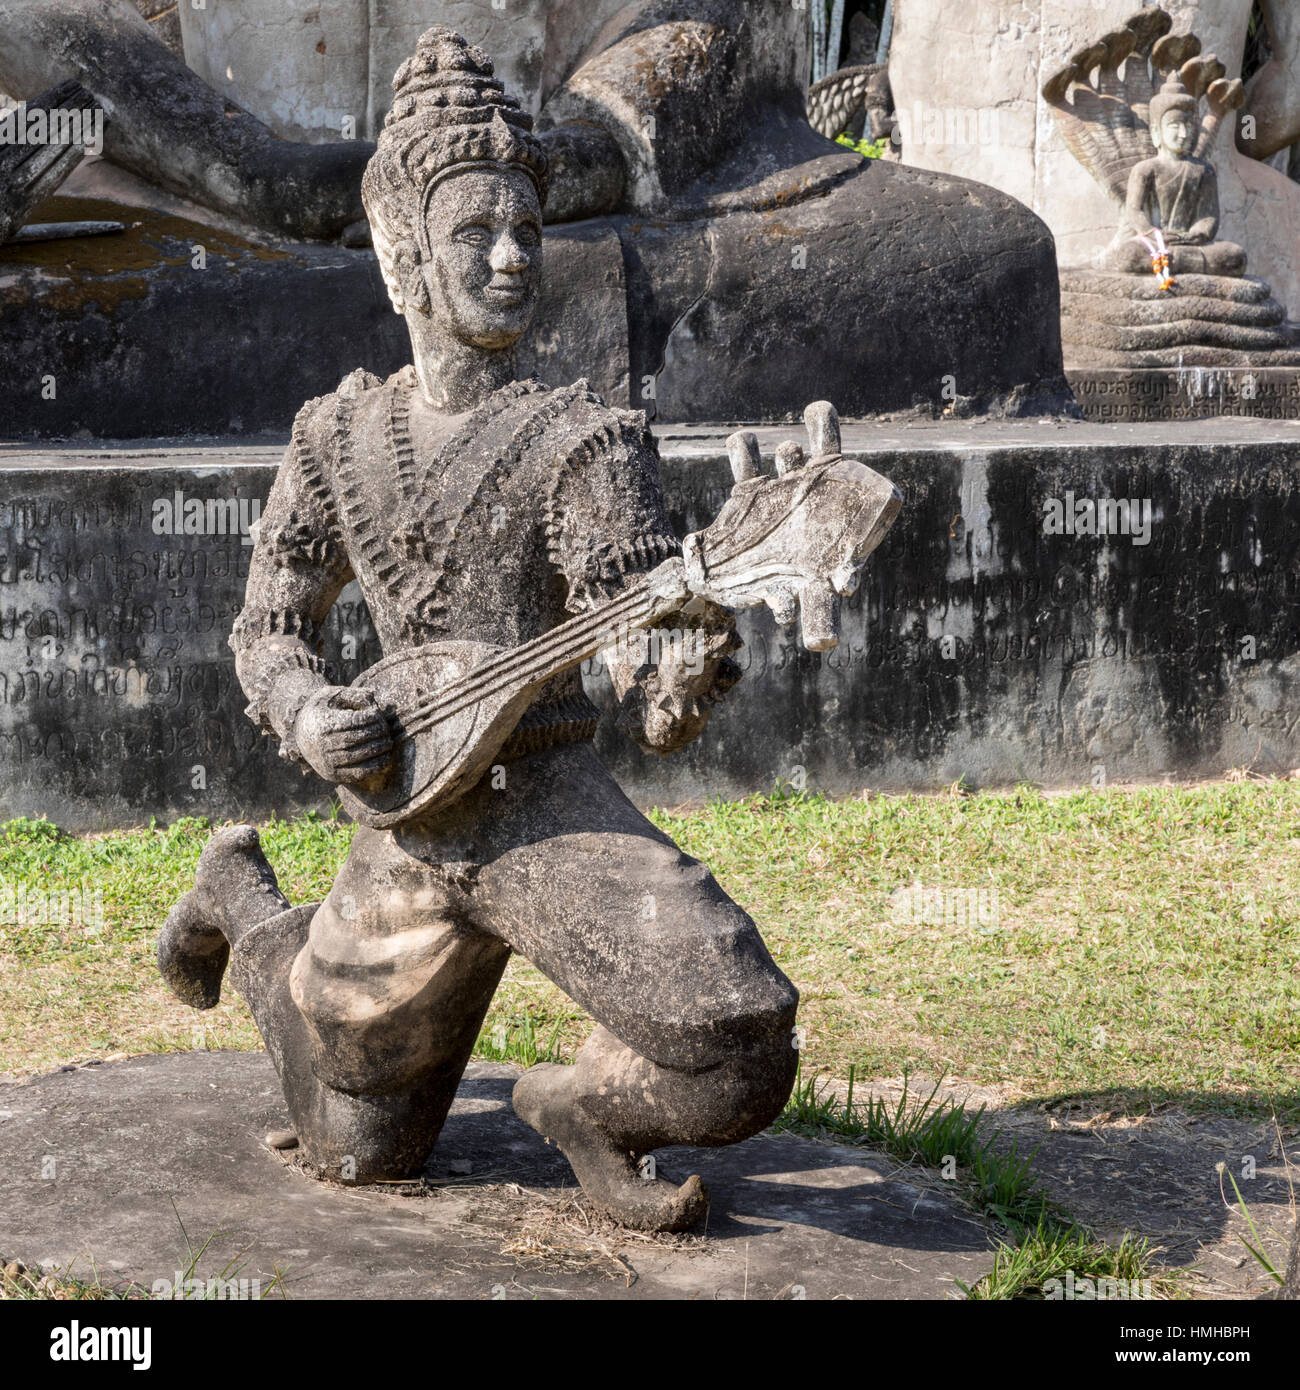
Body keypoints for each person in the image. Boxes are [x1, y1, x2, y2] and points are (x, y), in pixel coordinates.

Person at [158, 27, 805, 1234]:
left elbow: (638, 639)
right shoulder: (332, 439)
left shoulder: (585, 442)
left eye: (527, 231)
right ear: (402, 254)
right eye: (475, 234)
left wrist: (677, 677)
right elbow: (268, 626)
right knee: (358, 1148)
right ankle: (243, 905)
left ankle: (588, 1112)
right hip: (407, 807)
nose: (512, 259)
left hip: (542, 803)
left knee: (739, 1043)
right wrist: (307, 711)